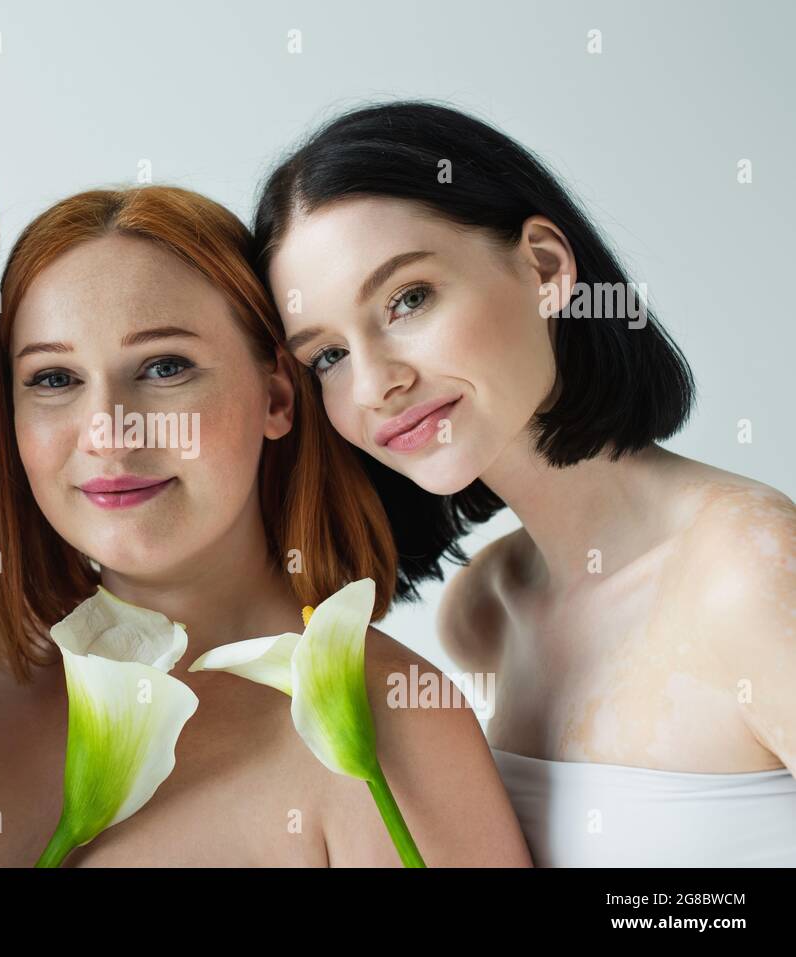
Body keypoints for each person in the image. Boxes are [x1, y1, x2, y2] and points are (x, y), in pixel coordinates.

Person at [0, 184, 531, 866]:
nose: (109, 434)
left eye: (166, 367)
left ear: (277, 395)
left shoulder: (398, 724)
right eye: (53, 378)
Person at [253, 101, 796, 865]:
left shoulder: (752, 573)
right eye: (328, 356)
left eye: (407, 299)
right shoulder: (484, 610)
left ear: (545, 266)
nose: (377, 382)